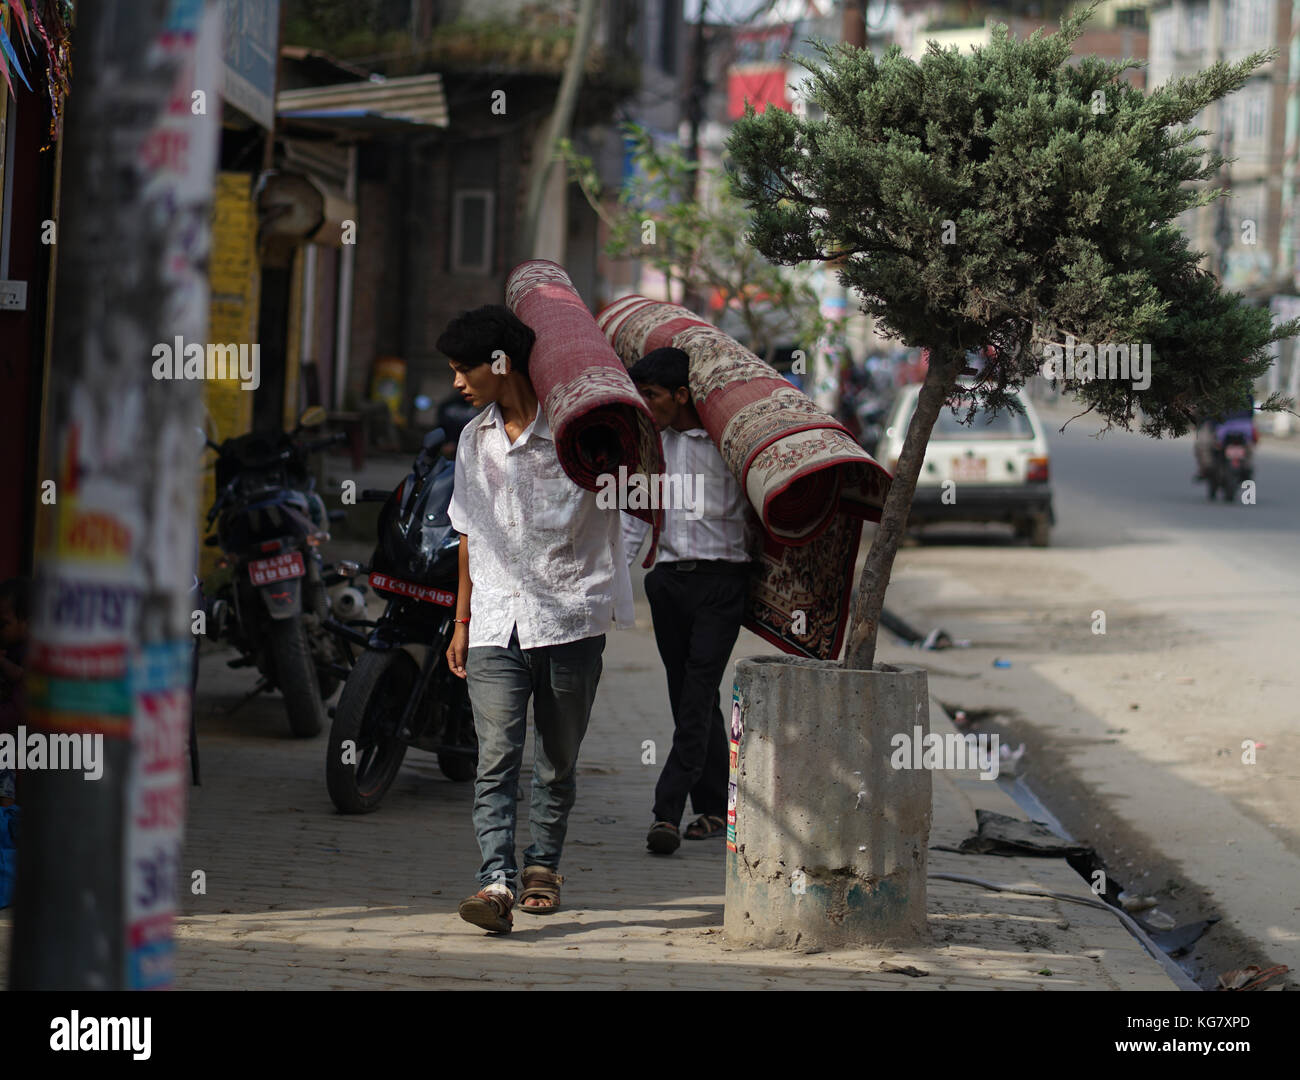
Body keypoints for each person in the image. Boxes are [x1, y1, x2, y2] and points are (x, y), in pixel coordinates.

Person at [441, 304, 634, 934]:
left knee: (556, 758)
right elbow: (468, 532)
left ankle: (542, 870)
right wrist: (462, 620)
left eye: (463, 369)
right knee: (496, 756)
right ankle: (494, 882)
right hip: (496, 620)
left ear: (501, 363)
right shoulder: (475, 440)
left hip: (571, 622)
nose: (457, 383)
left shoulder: (585, 437)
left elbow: (631, 505)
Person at [620, 348, 758, 855]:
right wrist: (616, 588)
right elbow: (635, 516)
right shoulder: (651, 445)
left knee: (698, 696)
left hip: (722, 586)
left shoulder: (732, 444)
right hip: (668, 584)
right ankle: (713, 809)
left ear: (681, 395)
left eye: (652, 395)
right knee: (690, 699)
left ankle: (665, 811)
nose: (645, 403)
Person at [0, 578, 29, 807]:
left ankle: (6, 809)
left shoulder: (28, 653)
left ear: (27, 623)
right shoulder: (10, 648)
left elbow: (17, 710)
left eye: (3, 624)